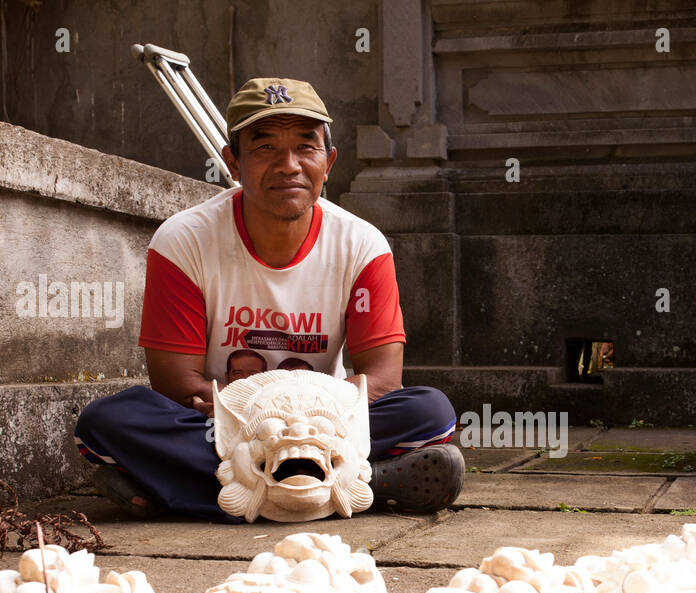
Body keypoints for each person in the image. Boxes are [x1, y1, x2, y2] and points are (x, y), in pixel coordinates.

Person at [73, 77, 464, 521]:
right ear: (232, 163)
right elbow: (177, 386)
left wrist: (304, 422)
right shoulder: (182, 240)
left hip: (326, 424)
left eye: (305, 146)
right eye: (264, 148)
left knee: (431, 413)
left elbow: (383, 381)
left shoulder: (362, 245)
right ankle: (364, 483)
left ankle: (192, 490)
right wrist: (259, 421)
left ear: (329, 162)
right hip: (224, 427)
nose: (289, 165)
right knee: (108, 422)